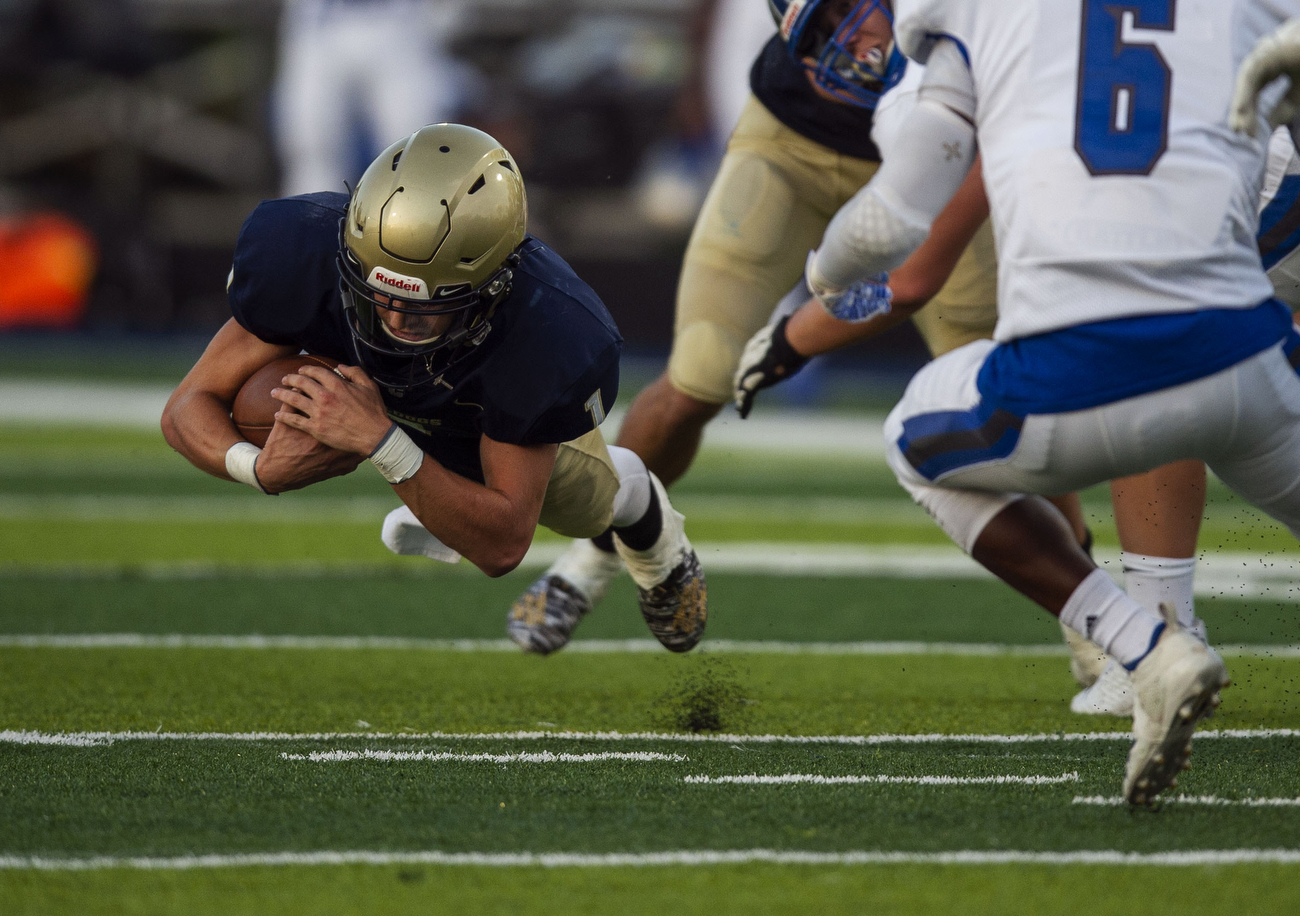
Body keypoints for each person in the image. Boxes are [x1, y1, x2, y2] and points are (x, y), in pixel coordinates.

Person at [736, 0, 1300, 805]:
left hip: (1103, 354)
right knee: (1192, 322)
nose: (848, 45)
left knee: (924, 434)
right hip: (1248, 339)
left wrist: (808, 307)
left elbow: (898, 249)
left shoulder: (973, 24)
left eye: (842, 17)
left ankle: (1149, 643)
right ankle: (1162, 632)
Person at [161, 124, 707, 653]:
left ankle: (653, 529)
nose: (397, 319)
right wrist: (258, 470)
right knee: (260, 395)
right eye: (378, 294)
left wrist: (383, 443)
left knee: (587, 506)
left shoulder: (545, 328)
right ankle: (436, 483)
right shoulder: (300, 251)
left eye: (427, 306)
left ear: (494, 284)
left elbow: (503, 545)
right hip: (365, 390)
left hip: (474, 410)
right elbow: (187, 406)